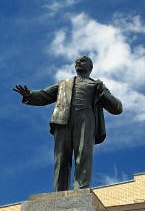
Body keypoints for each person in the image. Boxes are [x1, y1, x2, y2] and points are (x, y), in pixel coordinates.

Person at [13, 56, 123, 191]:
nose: (78, 62)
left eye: (82, 60)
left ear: (90, 67)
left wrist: (103, 93)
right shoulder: (64, 83)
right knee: (61, 157)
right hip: (63, 120)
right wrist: (29, 95)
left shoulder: (97, 85)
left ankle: (81, 189)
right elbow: (45, 95)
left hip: (86, 119)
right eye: (77, 61)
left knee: (83, 155)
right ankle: (59, 192)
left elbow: (117, 108)